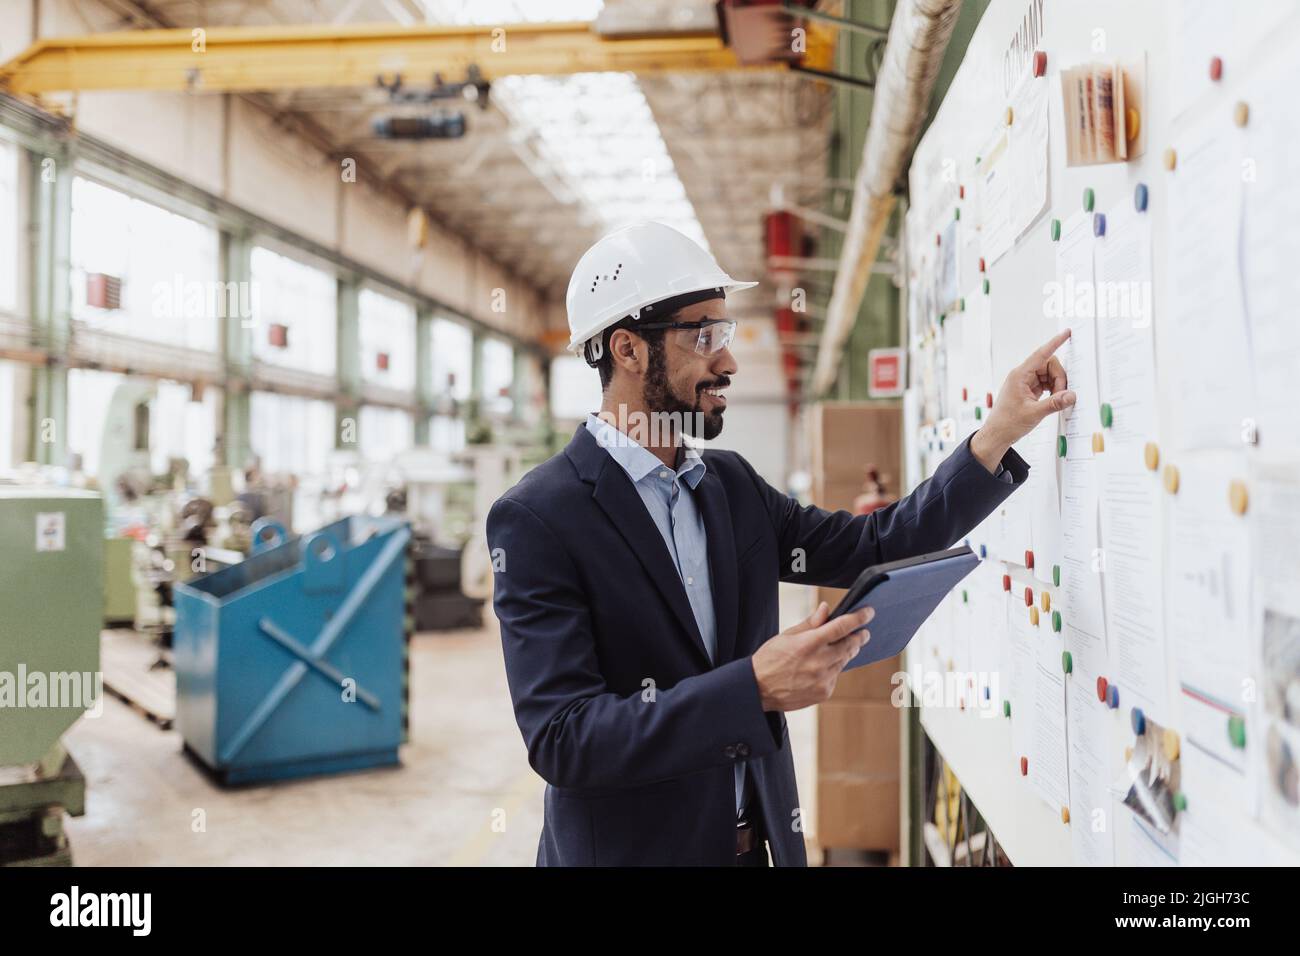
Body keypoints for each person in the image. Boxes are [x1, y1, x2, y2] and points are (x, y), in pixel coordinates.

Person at [488, 221, 1075, 866]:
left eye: (726, 333)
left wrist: (995, 435)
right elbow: (564, 740)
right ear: (628, 350)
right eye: (703, 335)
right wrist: (753, 689)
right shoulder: (539, 517)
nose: (729, 361)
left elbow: (877, 542)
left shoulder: (729, 486)